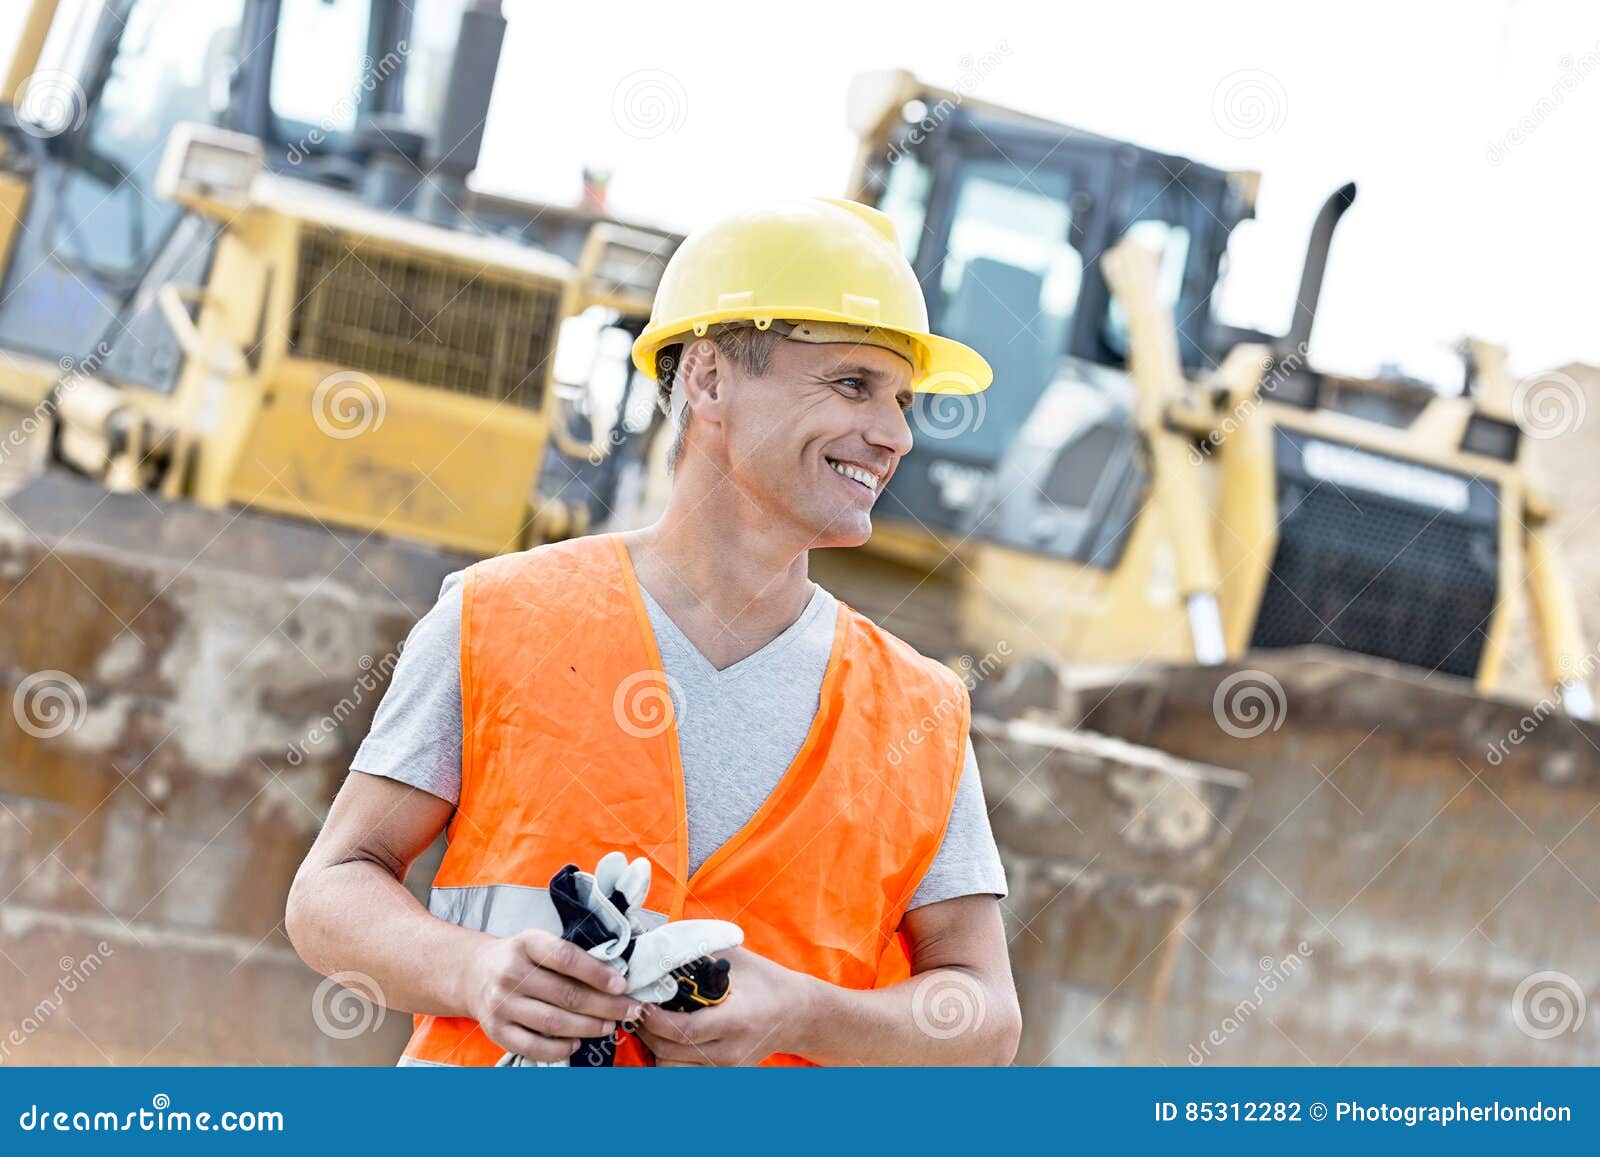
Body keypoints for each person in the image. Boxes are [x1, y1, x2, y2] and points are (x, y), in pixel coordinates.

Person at [286, 197, 1021, 1066]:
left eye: (902, 399)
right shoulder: (498, 614)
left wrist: (804, 1014)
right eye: (854, 384)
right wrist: (476, 970)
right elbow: (330, 890)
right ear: (709, 379)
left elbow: (986, 1016)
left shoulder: (918, 709)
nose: (895, 434)